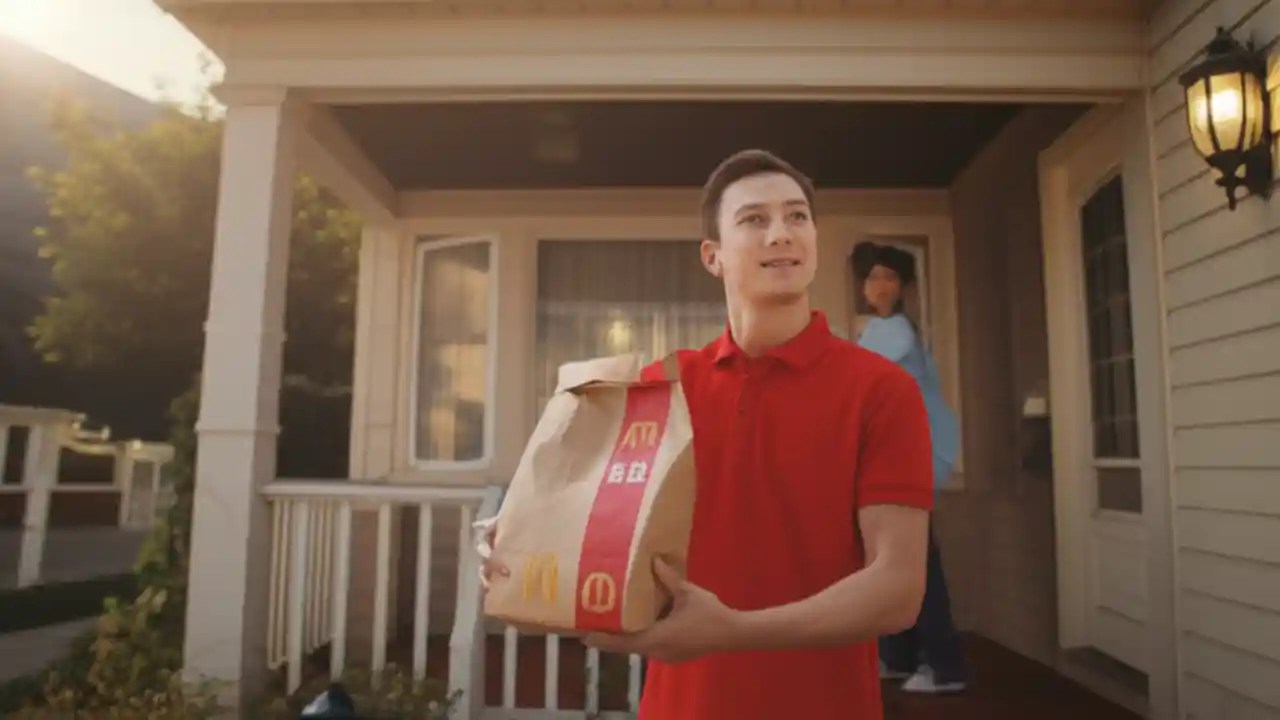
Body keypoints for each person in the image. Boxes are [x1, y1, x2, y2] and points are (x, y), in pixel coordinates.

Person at [478, 149, 934, 719]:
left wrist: (733, 632)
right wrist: (521, 536)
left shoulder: (882, 390)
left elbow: (896, 588)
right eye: (754, 219)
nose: (781, 234)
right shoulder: (659, 390)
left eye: (797, 217)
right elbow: (584, 515)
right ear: (712, 256)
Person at [852, 241, 968, 694]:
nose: (880, 285)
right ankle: (898, 655)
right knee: (895, 556)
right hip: (900, 456)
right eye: (873, 277)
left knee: (916, 559)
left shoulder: (893, 332)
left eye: (889, 277)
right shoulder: (885, 330)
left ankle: (946, 667)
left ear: (901, 288)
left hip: (912, 458)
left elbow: (859, 386)